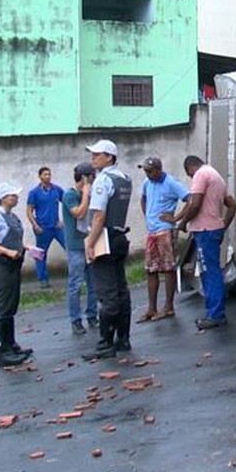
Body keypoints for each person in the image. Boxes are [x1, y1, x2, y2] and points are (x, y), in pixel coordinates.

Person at [168, 155, 236, 331]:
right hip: (213, 230)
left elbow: (195, 203)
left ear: (190, 168)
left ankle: (215, 315)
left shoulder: (201, 174)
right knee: (212, 271)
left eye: (189, 175)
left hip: (205, 231)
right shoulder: (216, 176)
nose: (191, 179)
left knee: (209, 272)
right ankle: (215, 312)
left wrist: (183, 223)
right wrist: (222, 225)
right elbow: (232, 205)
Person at [82, 139, 134, 360]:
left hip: (105, 237)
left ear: (109, 157)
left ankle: (105, 344)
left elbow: (98, 216)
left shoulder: (103, 180)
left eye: (98, 154)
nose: (93, 157)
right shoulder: (125, 178)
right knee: (121, 290)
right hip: (120, 235)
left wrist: (90, 243)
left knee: (107, 292)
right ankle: (123, 339)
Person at [0, 183, 36, 367]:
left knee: (11, 307)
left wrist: (25, 247)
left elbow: (11, 239)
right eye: (12, 195)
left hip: (14, 265)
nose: (16, 198)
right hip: (3, 266)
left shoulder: (12, 217)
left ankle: (11, 345)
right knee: (3, 310)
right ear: (3, 198)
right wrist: (6, 252)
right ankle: (3, 353)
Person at [136, 156, 189, 323]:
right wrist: (148, 217)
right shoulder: (147, 183)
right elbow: (143, 199)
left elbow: (190, 199)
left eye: (150, 171)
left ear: (159, 170)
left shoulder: (171, 183)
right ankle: (152, 308)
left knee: (167, 268)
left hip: (165, 231)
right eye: (145, 171)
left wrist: (177, 218)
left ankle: (168, 306)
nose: (147, 174)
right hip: (152, 231)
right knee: (151, 269)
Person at [62, 163, 98, 335]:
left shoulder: (91, 194)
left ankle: (92, 316)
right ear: (85, 178)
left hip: (90, 243)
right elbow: (79, 214)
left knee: (93, 283)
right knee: (76, 284)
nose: (94, 179)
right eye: (92, 176)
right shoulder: (69, 195)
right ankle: (76, 320)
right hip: (76, 246)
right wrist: (85, 195)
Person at [26, 167, 65, 287]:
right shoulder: (34, 193)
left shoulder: (57, 190)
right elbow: (29, 210)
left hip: (56, 227)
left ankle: (80, 274)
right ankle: (43, 279)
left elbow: (68, 203)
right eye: (45, 174)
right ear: (40, 176)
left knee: (70, 247)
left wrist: (63, 221)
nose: (48, 176)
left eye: (49, 174)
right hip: (42, 228)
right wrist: (35, 225)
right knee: (40, 254)